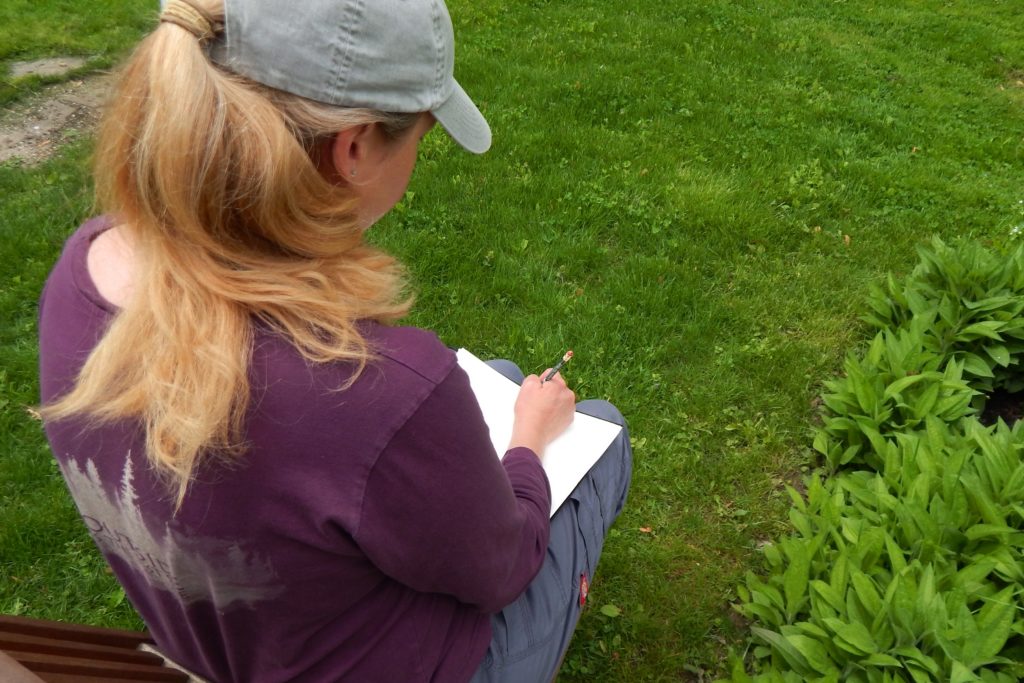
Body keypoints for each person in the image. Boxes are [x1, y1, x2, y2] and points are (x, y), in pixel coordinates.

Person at [37, 0, 632, 681]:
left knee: (491, 373)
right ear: (352, 147)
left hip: (222, 648)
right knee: (600, 432)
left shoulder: (79, 271)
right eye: (420, 135)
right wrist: (529, 444)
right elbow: (503, 567)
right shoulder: (378, 387)